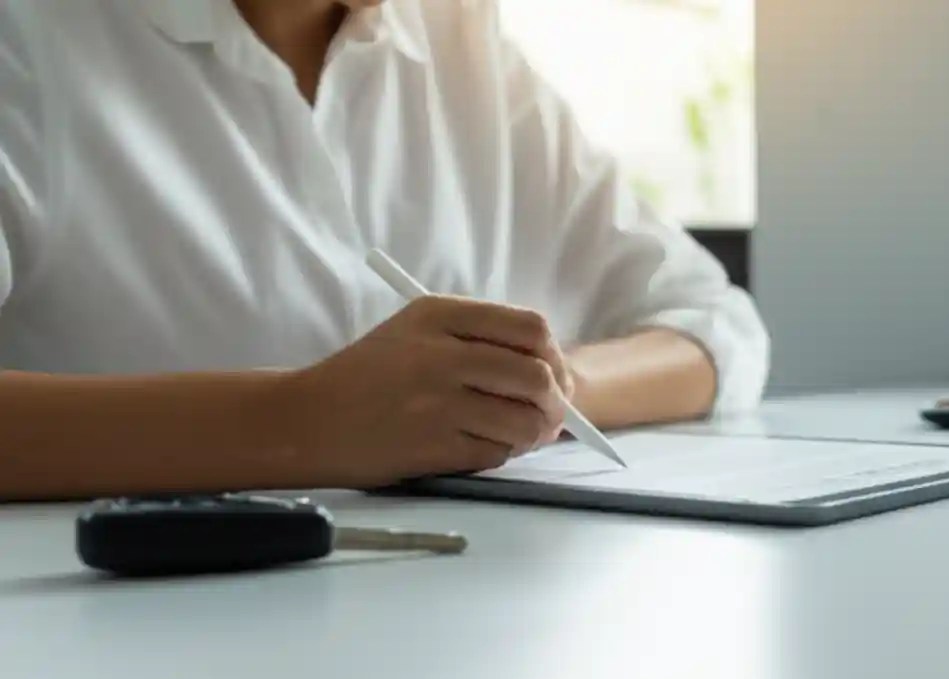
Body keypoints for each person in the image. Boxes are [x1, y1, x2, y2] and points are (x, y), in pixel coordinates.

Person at [0, 0, 769, 501]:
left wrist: (531, 395)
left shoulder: (457, 39)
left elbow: (716, 326)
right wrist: (295, 423)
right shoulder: (29, 41)